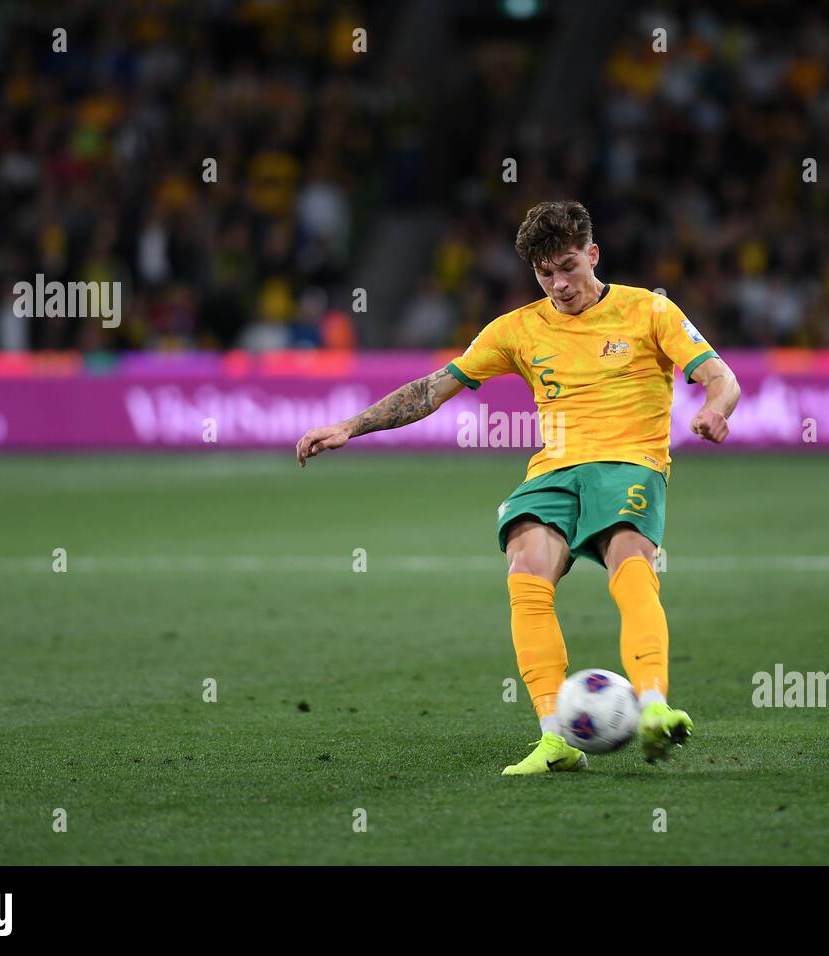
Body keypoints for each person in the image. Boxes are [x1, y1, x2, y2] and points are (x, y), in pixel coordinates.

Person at [297, 200, 741, 775]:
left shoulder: (649, 311)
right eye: (544, 273)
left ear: (593, 254)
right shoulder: (517, 328)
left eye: (568, 266)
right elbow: (436, 387)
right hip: (554, 470)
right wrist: (351, 425)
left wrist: (714, 410)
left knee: (629, 556)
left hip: (629, 462)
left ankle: (654, 705)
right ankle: (556, 737)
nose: (559, 284)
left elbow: (719, 376)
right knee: (526, 566)